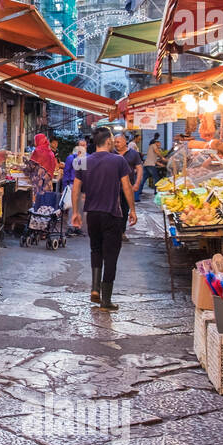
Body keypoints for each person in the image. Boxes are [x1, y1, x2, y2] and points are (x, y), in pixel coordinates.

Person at [72, 127, 137, 311]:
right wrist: (132, 209)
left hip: (91, 215)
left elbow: (76, 188)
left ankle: (95, 289)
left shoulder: (82, 161)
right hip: (112, 215)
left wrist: (76, 212)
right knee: (111, 256)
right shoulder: (118, 160)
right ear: (108, 141)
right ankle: (106, 300)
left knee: (95, 250)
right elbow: (127, 187)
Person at [114, 134, 144, 239]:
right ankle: (114, 232)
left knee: (125, 209)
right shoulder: (111, 153)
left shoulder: (133, 154)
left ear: (125, 142)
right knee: (113, 209)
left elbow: (139, 168)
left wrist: (137, 183)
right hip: (113, 187)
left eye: (118, 142)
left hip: (128, 187)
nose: (116, 144)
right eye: (115, 142)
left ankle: (122, 232)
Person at [62, 138, 88, 234]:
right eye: (80, 145)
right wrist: (65, 187)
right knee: (72, 206)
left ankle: (78, 226)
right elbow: (66, 172)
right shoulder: (71, 158)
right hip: (73, 184)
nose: (82, 147)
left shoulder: (88, 158)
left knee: (81, 207)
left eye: (84, 145)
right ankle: (71, 226)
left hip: (84, 186)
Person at [28, 133, 59, 198]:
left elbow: (30, 167)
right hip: (48, 183)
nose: (34, 143)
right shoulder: (50, 152)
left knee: (39, 203)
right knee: (46, 203)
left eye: (35, 140)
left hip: (39, 183)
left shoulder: (37, 151)